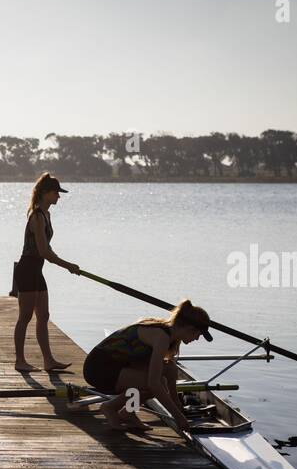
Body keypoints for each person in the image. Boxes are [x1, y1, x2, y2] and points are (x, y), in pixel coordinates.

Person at [82, 299, 214, 432]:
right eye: (199, 334)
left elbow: (170, 371)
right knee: (156, 384)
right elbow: (154, 384)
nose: (197, 338)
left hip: (118, 366)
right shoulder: (161, 336)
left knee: (169, 368)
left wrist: (177, 404)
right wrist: (178, 417)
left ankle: (128, 413)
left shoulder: (171, 335)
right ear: (190, 328)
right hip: (98, 368)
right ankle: (110, 407)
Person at [12, 173, 79, 373]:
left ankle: (48, 361)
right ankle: (20, 361)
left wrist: (64, 262)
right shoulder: (37, 216)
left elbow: (47, 250)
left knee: (44, 315)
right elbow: (43, 252)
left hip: (37, 271)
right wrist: (68, 265)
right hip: (27, 270)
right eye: (56, 193)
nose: (59, 197)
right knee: (25, 317)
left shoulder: (47, 215)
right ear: (45, 193)